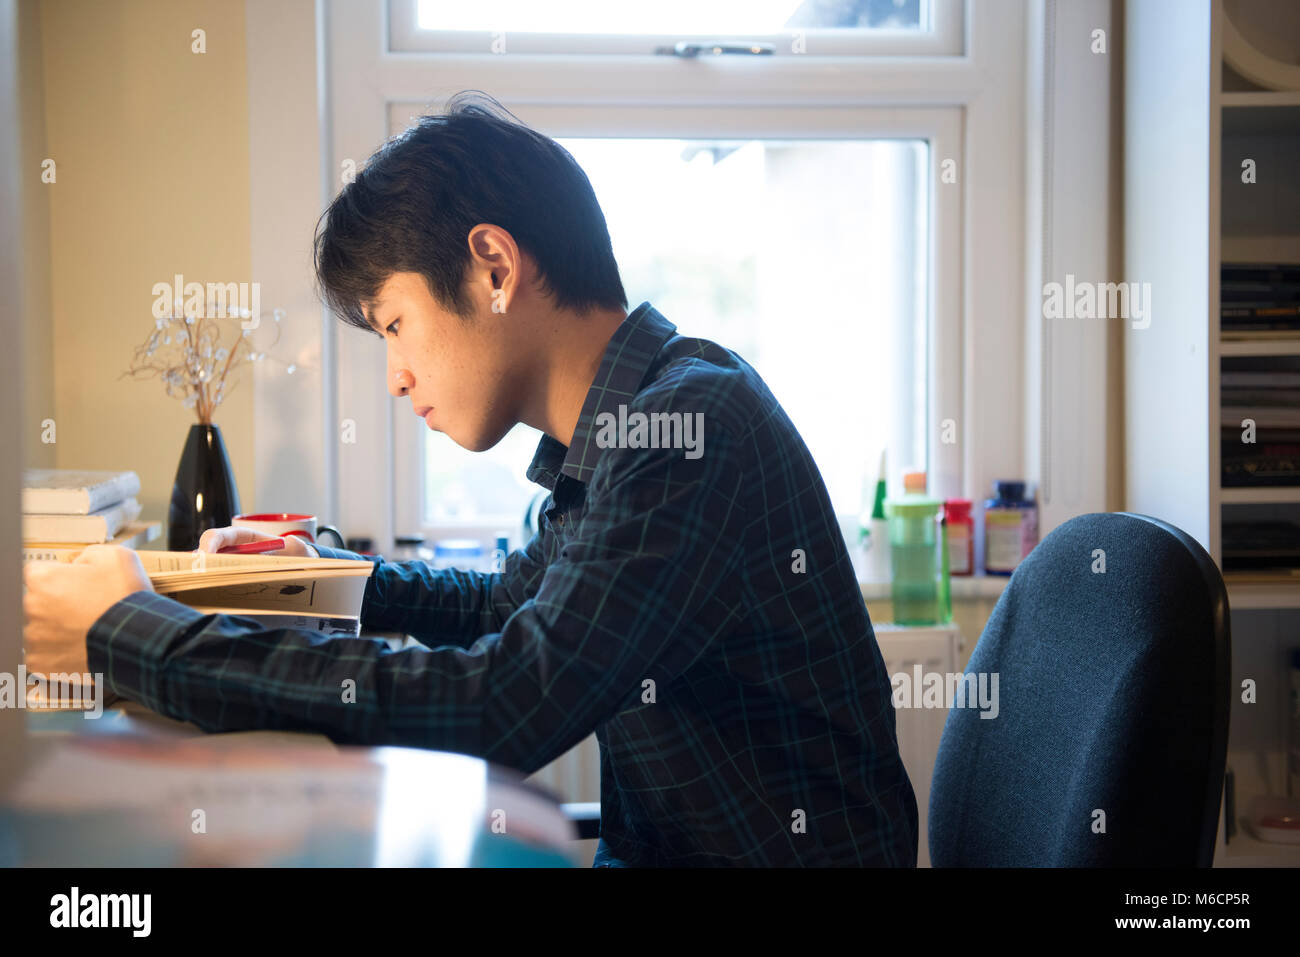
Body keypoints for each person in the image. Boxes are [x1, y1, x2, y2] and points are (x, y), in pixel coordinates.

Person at [22, 92, 917, 867]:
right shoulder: (623, 427)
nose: (395, 375)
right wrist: (315, 579)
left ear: (494, 266)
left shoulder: (687, 432)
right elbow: (504, 609)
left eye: (396, 323)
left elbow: (506, 702)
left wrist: (130, 635)